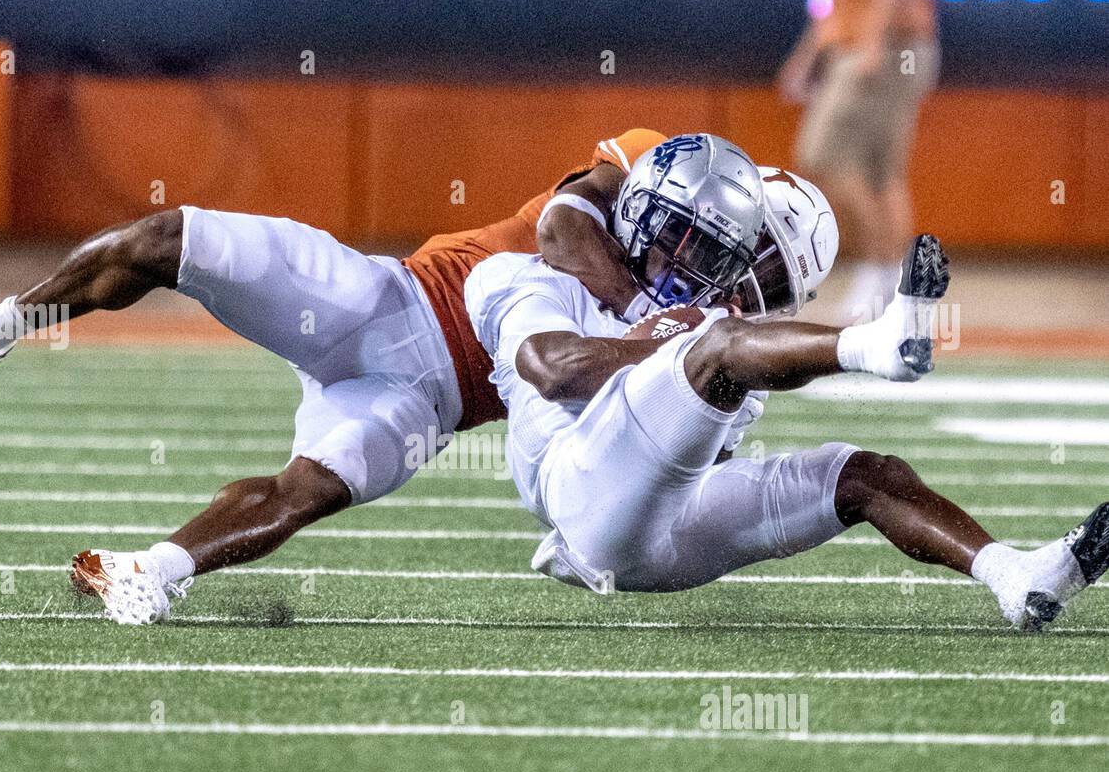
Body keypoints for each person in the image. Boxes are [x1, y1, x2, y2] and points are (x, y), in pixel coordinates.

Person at [0, 129, 667, 623]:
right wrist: (644, 311)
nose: (691, 249)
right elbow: (565, 230)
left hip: (430, 400)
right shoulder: (643, 181)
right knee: (165, 239)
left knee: (308, 489)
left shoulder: (701, 322)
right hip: (387, 300)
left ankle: (150, 570)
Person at [464, 134, 1108, 632]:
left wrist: (687, 347)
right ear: (637, 217)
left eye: (718, 260)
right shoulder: (514, 277)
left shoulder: (724, 331)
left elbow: (691, 454)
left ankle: (1014, 576)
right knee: (718, 346)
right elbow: (556, 369)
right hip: (578, 493)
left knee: (865, 475)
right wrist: (661, 337)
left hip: (668, 529)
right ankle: (874, 343)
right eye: (682, 243)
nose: (698, 272)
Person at [779, 0, 939, 322]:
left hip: (888, 48)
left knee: (824, 154)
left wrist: (872, 42)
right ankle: (895, 284)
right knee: (878, 173)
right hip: (860, 46)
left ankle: (881, 273)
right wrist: (809, 56)